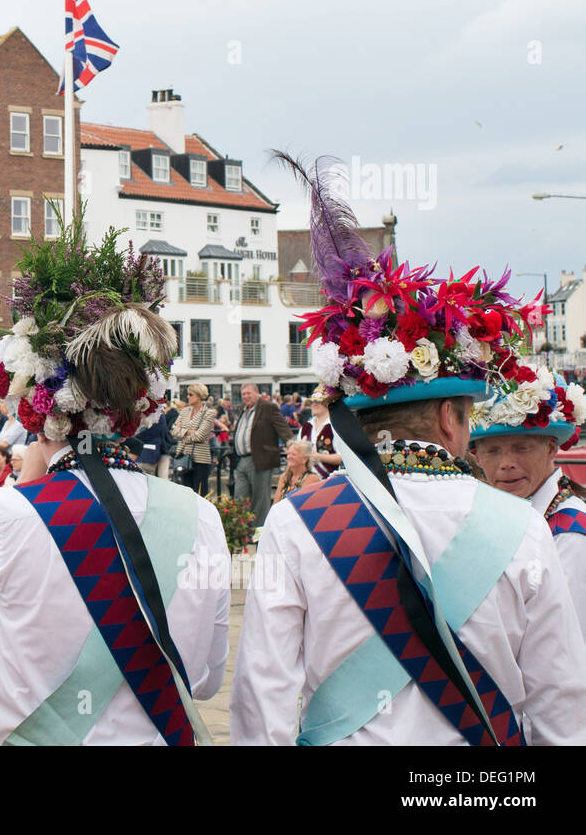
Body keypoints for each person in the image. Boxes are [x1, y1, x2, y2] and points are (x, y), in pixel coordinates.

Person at [231, 153, 586, 745]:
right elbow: (559, 703)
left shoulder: (296, 523)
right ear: (451, 417)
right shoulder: (522, 529)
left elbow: (260, 697)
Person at [0, 224, 230, 745]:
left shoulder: (11, 512)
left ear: (41, 412)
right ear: (139, 408)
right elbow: (203, 680)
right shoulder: (199, 515)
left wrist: (20, 487)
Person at [470, 364, 586, 641]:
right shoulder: (511, 516)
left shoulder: (570, 532)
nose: (507, 464)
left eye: (521, 448)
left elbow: (567, 641)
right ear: (476, 457)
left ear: (550, 448)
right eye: (493, 451)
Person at [231, 382, 293, 528]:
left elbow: (283, 429)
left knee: (260, 499)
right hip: (241, 460)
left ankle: (259, 533)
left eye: (248, 393)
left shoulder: (268, 408)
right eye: (243, 394)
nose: (246, 396)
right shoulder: (242, 409)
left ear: (257, 392)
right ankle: (241, 531)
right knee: (240, 498)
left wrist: (293, 447)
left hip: (260, 459)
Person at [171, 383, 215, 495]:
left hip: (200, 459)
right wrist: (190, 431)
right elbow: (173, 430)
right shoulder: (184, 411)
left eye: (191, 394)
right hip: (184, 456)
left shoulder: (208, 413)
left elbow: (200, 436)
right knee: (186, 494)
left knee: (200, 494)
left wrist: (182, 432)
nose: (188, 397)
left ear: (199, 396)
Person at [298, 388, 342, 478]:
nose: (314, 404)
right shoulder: (306, 427)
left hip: (329, 481)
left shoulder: (336, 427)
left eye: (318, 401)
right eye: (312, 402)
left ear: (328, 403)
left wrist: (318, 457)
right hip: (306, 479)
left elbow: (343, 458)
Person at [271, 439, 320, 503]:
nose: (289, 457)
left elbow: (303, 503)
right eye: (288, 454)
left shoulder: (312, 478)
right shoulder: (284, 477)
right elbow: (276, 504)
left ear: (305, 459)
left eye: (293, 454)